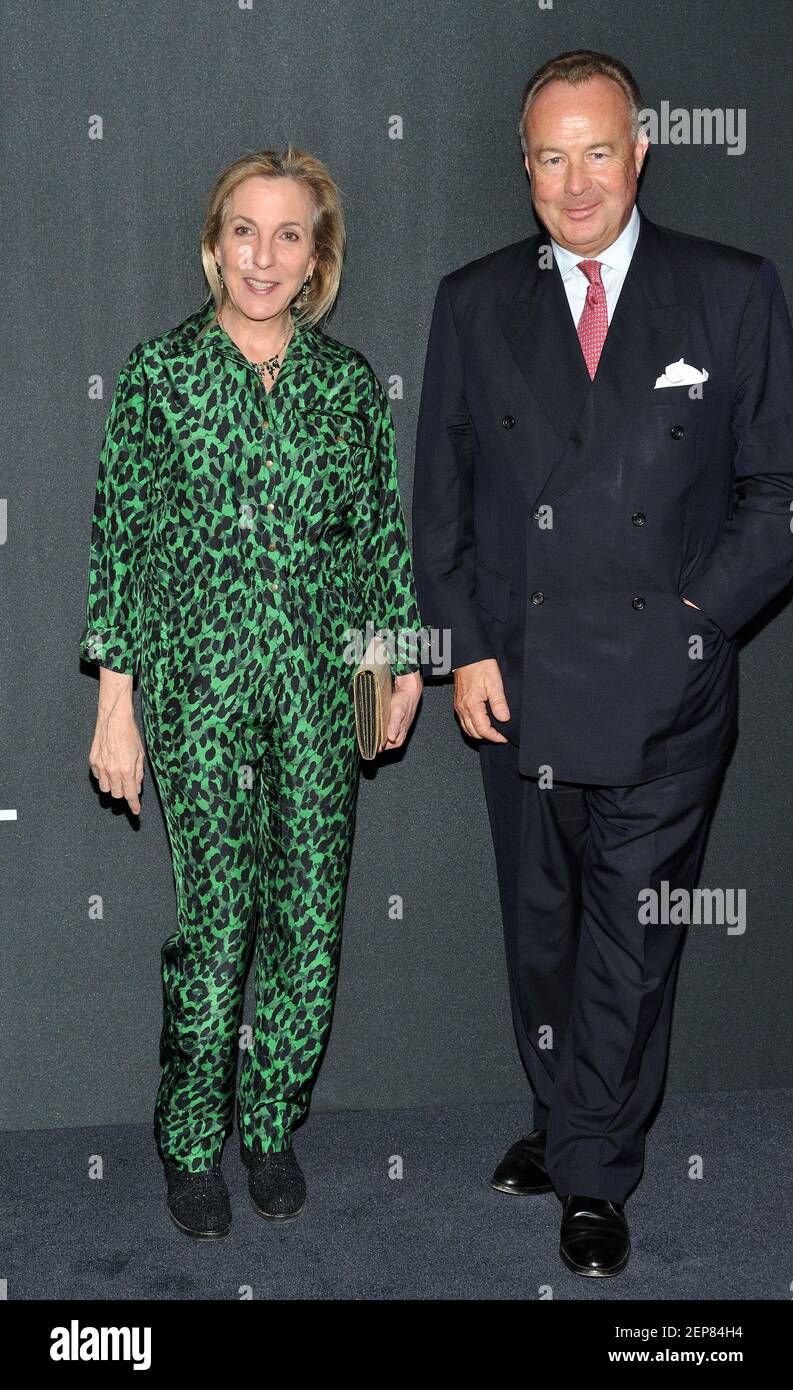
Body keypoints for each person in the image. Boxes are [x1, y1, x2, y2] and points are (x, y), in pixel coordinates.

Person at [412, 50, 793, 1277]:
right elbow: (443, 508)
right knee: (544, 933)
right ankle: (560, 1109)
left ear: (641, 151)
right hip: (517, 683)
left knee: (631, 931)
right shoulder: (472, 301)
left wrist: (696, 614)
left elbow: (778, 492)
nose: (574, 181)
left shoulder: (728, 292)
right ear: (523, 169)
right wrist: (462, 648)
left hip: (666, 687)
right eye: (547, 155)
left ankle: (593, 1170)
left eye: (596, 150)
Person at [80, 147, 423, 1239]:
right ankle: (191, 1140)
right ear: (213, 241)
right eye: (244, 230)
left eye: (288, 235)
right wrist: (115, 705)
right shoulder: (158, 376)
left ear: (318, 256)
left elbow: (377, 538)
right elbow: (120, 548)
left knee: (310, 921)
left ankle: (270, 1123)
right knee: (217, 926)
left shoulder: (345, 385)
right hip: (199, 693)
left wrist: (392, 668)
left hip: (325, 691)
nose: (263, 256)